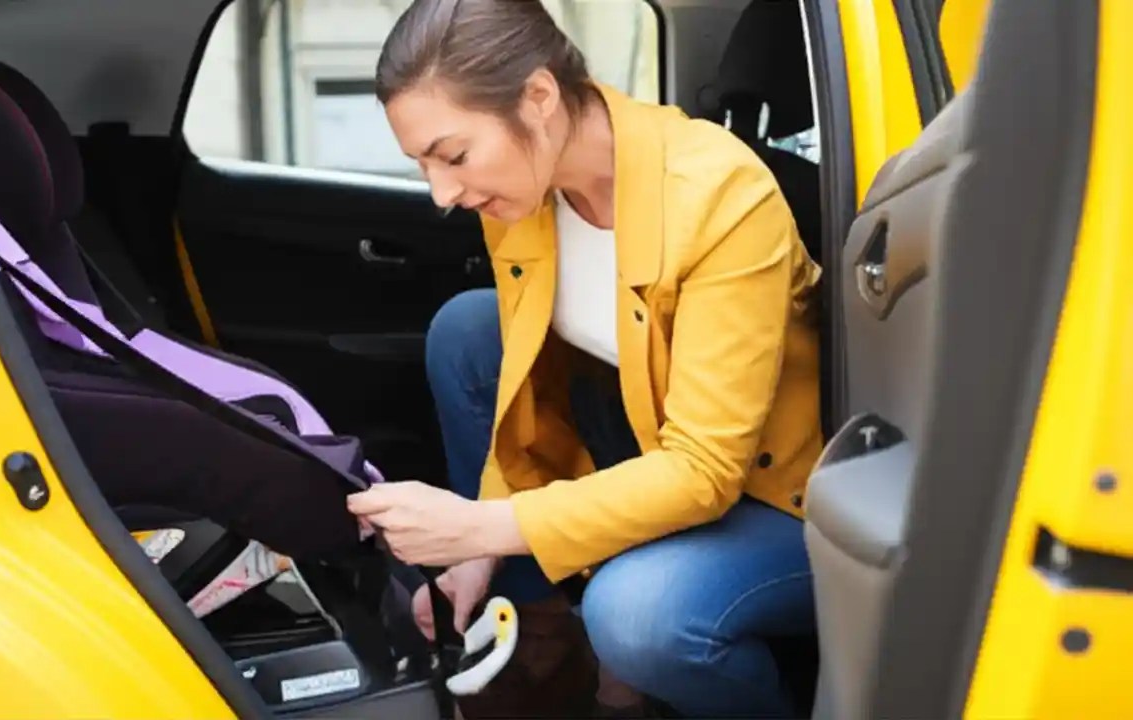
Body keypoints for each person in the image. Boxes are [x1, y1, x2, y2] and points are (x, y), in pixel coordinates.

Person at [347, 0, 824, 716]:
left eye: (453, 155)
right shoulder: (525, 196)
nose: (442, 194)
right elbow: (525, 387)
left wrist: (480, 526)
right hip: (642, 429)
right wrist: (480, 554)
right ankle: (547, 644)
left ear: (538, 97)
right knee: (470, 333)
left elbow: (705, 472)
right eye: (423, 165)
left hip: (770, 500)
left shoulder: (721, 193)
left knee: (636, 616)